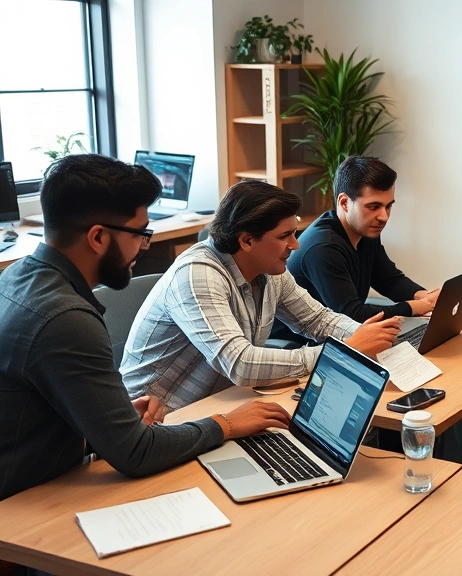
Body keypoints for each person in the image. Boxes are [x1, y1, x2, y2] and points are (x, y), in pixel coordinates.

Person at [0, 155, 290, 501]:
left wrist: (107, 420)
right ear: (98, 238)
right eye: (141, 233)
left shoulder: (17, 277)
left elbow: (32, 412)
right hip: (24, 503)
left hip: (44, 473)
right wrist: (226, 424)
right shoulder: (66, 318)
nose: (144, 245)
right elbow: (136, 454)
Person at [120, 180, 401, 421]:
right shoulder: (198, 275)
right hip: (153, 421)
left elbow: (317, 320)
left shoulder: (269, 268)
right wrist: (342, 353)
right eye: (284, 236)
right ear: (246, 241)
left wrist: (373, 339)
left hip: (216, 407)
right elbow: (240, 364)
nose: (295, 245)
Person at [283, 155, 437, 323]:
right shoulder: (322, 247)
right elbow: (351, 315)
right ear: (344, 203)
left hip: (342, 336)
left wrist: (426, 297)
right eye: (373, 207)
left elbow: (389, 280)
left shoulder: (365, 231)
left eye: (388, 206)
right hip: (301, 344)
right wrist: (413, 308)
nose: (384, 217)